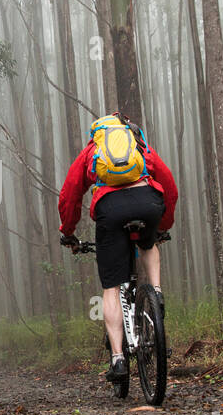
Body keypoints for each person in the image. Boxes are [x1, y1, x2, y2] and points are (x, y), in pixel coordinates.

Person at [58, 114, 178, 384]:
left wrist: (68, 231)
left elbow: (70, 193)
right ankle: (156, 295)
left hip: (110, 209)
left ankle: (118, 358)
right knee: (148, 244)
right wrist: (163, 224)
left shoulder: (93, 149)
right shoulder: (138, 143)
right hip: (148, 202)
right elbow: (168, 182)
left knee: (111, 287)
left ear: (98, 130)